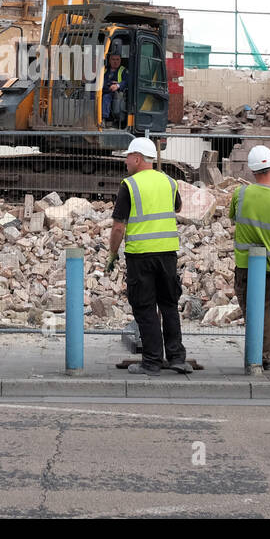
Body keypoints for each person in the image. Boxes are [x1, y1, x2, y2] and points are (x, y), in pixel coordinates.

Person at [106, 136, 191, 375]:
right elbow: (177, 207)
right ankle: (176, 358)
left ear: (137, 158)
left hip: (141, 256)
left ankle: (152, 361)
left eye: (127, 157)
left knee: (144, 307)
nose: (125, 162)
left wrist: (113, 253)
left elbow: (119, 227)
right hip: (167, 254)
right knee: (169, 305)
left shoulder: (130, 185)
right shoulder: (169, 182)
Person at [230, 145, 270, 370]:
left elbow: (232, 219)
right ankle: (263, 355)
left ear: (252, 170)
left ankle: (255, 354)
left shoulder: (240, 193)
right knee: (268, 310)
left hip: (245, 264)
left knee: (250, 309)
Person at [100, 50, 126, 125]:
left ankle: (103, 119)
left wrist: (117, 85)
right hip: (102, 90)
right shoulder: (104, 70)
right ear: (109, 60)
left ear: (120, 60)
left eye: (117, 59)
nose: (115, 62)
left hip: (114, 93)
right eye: (113, 59)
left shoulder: (123, 71)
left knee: (106, 98)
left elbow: (126, 82)